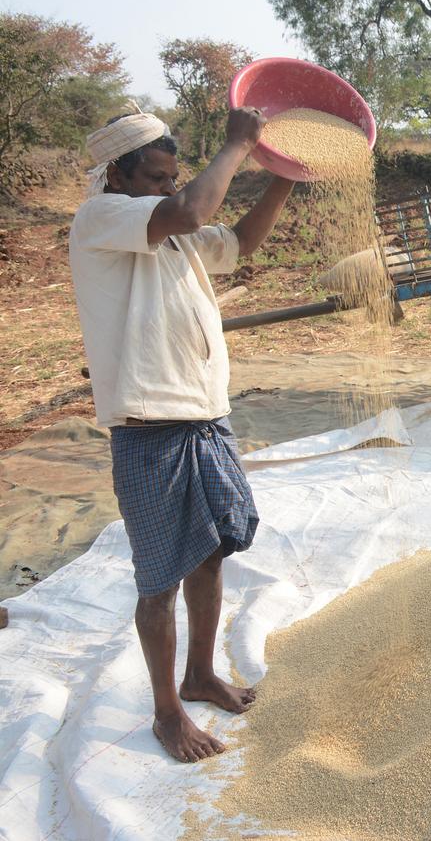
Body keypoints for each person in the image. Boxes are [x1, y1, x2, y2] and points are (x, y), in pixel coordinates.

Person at [69, 104, 294, 760]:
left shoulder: (173, 233)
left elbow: (240, 242)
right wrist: (240, 146)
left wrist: (285, 173)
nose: (169, 188)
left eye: (174, 176)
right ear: (118, 175)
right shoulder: (101, 218)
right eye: (157, 177)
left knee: (208, 555)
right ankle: (167, 712)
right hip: (151, 431)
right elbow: (193, 210)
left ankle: (199, 675)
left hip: (205, 420)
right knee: (158, 581)